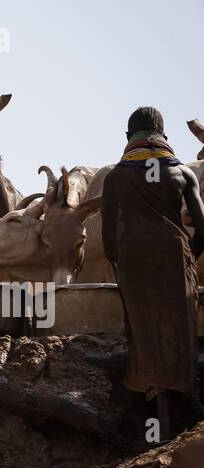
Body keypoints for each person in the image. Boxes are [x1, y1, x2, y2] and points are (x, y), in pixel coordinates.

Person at [102, 106, 204, 441]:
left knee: (145, 336)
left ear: (128, 137)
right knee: (179, 329)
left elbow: (107, 236)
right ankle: (187, 413)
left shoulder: (116, 177)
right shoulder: (184, 174)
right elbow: (203, 226)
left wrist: (120, 262)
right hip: (175, 255)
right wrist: (189, 256)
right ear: (164, 136)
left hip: (133, 258)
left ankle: (155, 427)